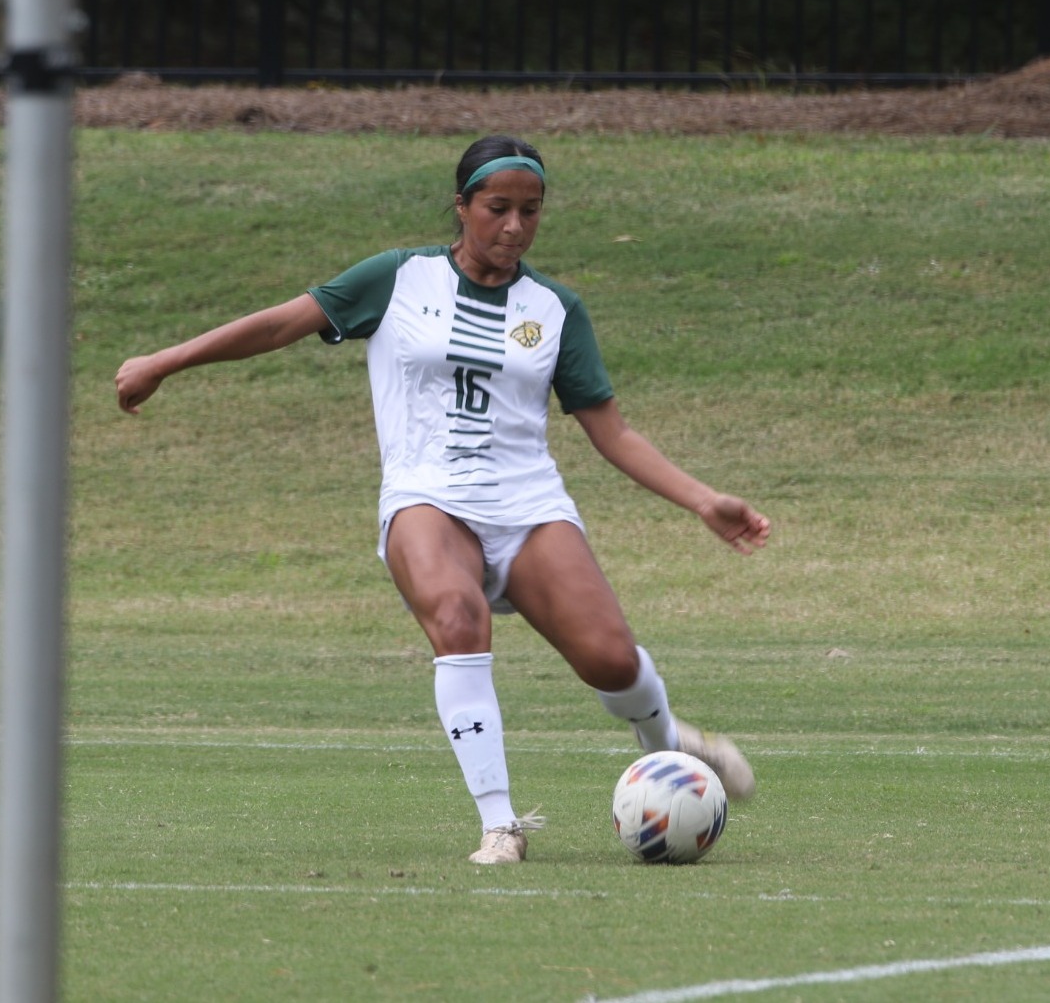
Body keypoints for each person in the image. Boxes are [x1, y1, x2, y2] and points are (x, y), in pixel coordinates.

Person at [115, 134, 770, 864]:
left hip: (526, 506)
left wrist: (702, 500)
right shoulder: (398, 278)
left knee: (611, 661)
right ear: (462, 206)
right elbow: (276, 325)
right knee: (458, 620)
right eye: (497, 208)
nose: (514, 226)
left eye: (530, 211)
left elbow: (611, 430)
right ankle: (501, 824)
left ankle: (669, 744)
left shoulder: (555, 309)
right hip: (425, 496)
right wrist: (165, 361)